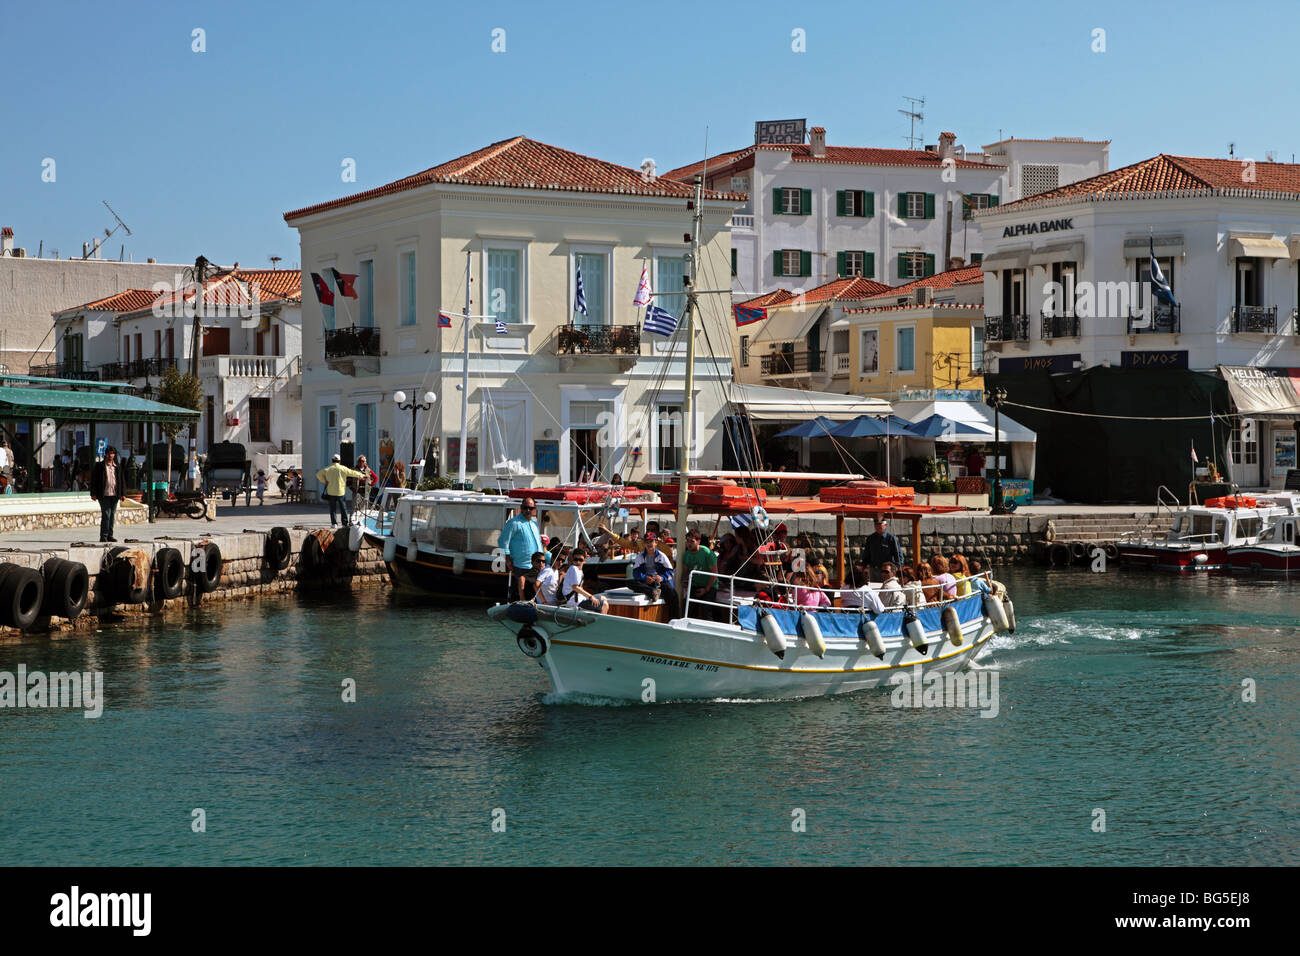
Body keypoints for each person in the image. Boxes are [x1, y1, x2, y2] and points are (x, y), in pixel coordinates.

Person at [498, 497, 543, 601]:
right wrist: (508, 559)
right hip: (521, 566)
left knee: (533, 595)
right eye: (525, 507)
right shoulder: (513, 523)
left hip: (536, 566)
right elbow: (503, 541)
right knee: (520, 594)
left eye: (531, 508)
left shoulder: (534, 524)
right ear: (521, 508)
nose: (528, 510)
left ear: (534, 509)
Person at [631, 532, 679, 617]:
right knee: (630, 582)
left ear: (656, 543)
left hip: (659, 582)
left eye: (651, 541)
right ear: (644, 543)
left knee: (672, 592)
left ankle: (674, 618)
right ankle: (652, 592)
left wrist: (662, 578)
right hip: (647, 581)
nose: (649, 544)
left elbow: (670, 572)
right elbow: (635, 572)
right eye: (647, 542)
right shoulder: (640, 556)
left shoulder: (662, 556)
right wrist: (645, 578)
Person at [316, 454, 365, 528]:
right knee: (343, 509)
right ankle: (344, 524)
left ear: (332, 460)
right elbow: (353, 473)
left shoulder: (328, 469)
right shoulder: (343, 468)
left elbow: (318, 474)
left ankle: (334, 524)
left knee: (333, 509)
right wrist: (363, 475)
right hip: (340, 492)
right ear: (339, 461)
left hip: (331, 492)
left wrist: (324, 481)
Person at [89, 445, 124, 543]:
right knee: (106, 514)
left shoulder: (117, 466)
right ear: (106, 454)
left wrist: (122, 494)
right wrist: (93, 493)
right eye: (109, 454)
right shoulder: (100, 466)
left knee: (112, 515)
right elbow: (94, 480)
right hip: (104, 494)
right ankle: (103, 535)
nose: (110, 456)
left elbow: (121, 480)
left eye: (112, 454)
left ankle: (110, 535)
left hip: (114, 494)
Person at [682, 530, 719, 620]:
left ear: (698, 541)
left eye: (692, 541)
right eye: (687, 541)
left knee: (706, 611)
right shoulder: (686, 555)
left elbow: (714, 573)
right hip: (695, 586)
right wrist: (684, 581)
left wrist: (706, 589)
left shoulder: (707, 553)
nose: (689, 544)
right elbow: (685, 572)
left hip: (710, 586)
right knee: (688, 610)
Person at [855, 517, 904, 583]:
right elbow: (866, 555)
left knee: (888, 588)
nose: (878, 526)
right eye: (876, 524)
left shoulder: (891, 538)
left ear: (885, 525)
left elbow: (898, 555)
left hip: (887, 571)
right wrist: (862, 567)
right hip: (874, 570)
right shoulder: (870, 538)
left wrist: (897, 568)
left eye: (880, 524)